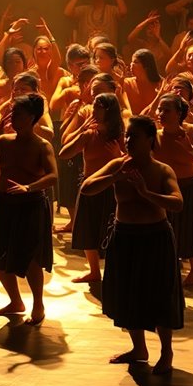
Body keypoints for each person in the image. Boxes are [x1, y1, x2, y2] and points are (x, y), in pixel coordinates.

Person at [81, 115, 184, 375]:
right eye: (126, 135)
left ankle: (166, 351)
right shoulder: (118, 165)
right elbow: (87, 188)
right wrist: (115, 175)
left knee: (159, 294)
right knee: (128, 293)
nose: (127, 141)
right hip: (125, 235)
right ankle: (139, 349)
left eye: (133, 136)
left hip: (155, 237)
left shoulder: (162, 170)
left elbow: (177, 202)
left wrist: (145, 192)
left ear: (149, 140)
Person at [0, 94, 57, 325]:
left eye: (17, 114)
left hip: (30, 205)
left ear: (31, 118)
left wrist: (29, 187)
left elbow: (52, 176)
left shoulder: (42, 145)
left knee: (30, 258)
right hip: (3, 202)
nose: (12, 118)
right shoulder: (4, 141)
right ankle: (15, 301)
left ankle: (38, 303)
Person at [60, 92, 126, 283]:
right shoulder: (89, 134)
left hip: (112, 186)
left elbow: (131, 160)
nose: (94, 110)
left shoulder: (119, 134)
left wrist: (118, 153)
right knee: (87, 228)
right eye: (94, 105)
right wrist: (82, 130)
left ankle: (114, 271)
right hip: (90, 184)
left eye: (99, 106)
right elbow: (64, 153)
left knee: (112, 230)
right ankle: (94, 271)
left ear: (109, 111)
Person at [153, 93, 193, 285]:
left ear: (179, 113)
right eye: (160, 109)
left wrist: (192, 150)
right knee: (163, 229)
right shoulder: (155, 135)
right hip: (163, 188)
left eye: (167, 110)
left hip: (187, 186)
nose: (161, 113)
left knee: (188, 229)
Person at [64, 0, 128, 45]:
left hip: (108, 53)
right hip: (86, 54)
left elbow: (123, 12)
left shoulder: (111, 10)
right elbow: (67, 12)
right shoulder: (84, 10)